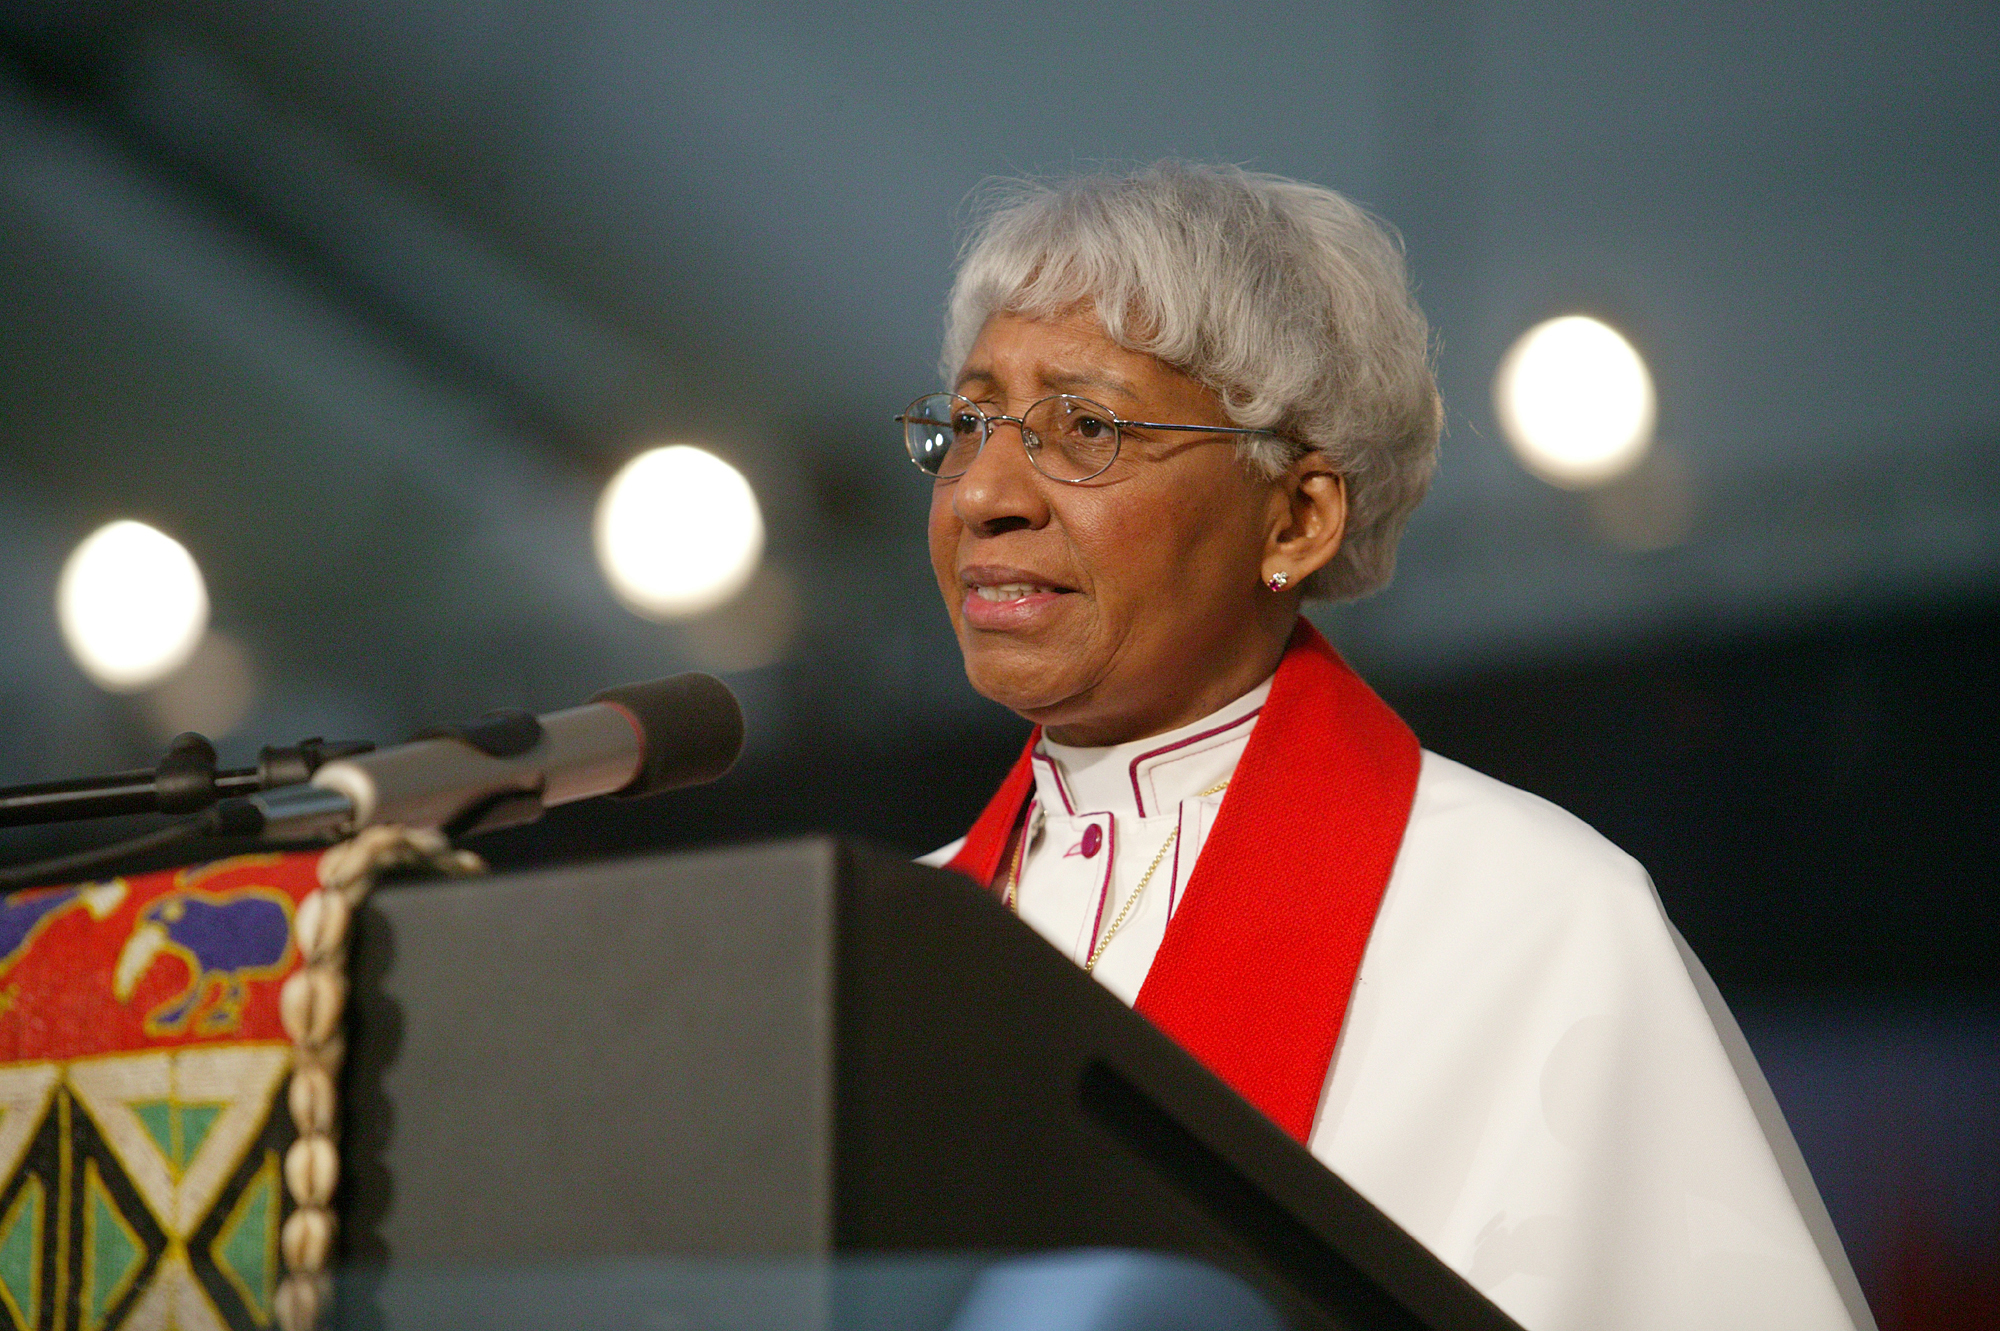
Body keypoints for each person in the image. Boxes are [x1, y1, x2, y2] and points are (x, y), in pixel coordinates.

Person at [910, 163, 1871, 1331]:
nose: (983, 493)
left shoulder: (1535, 918)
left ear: (1297, 517)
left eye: (1085, 427)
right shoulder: (882, 944)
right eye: (969, 423)